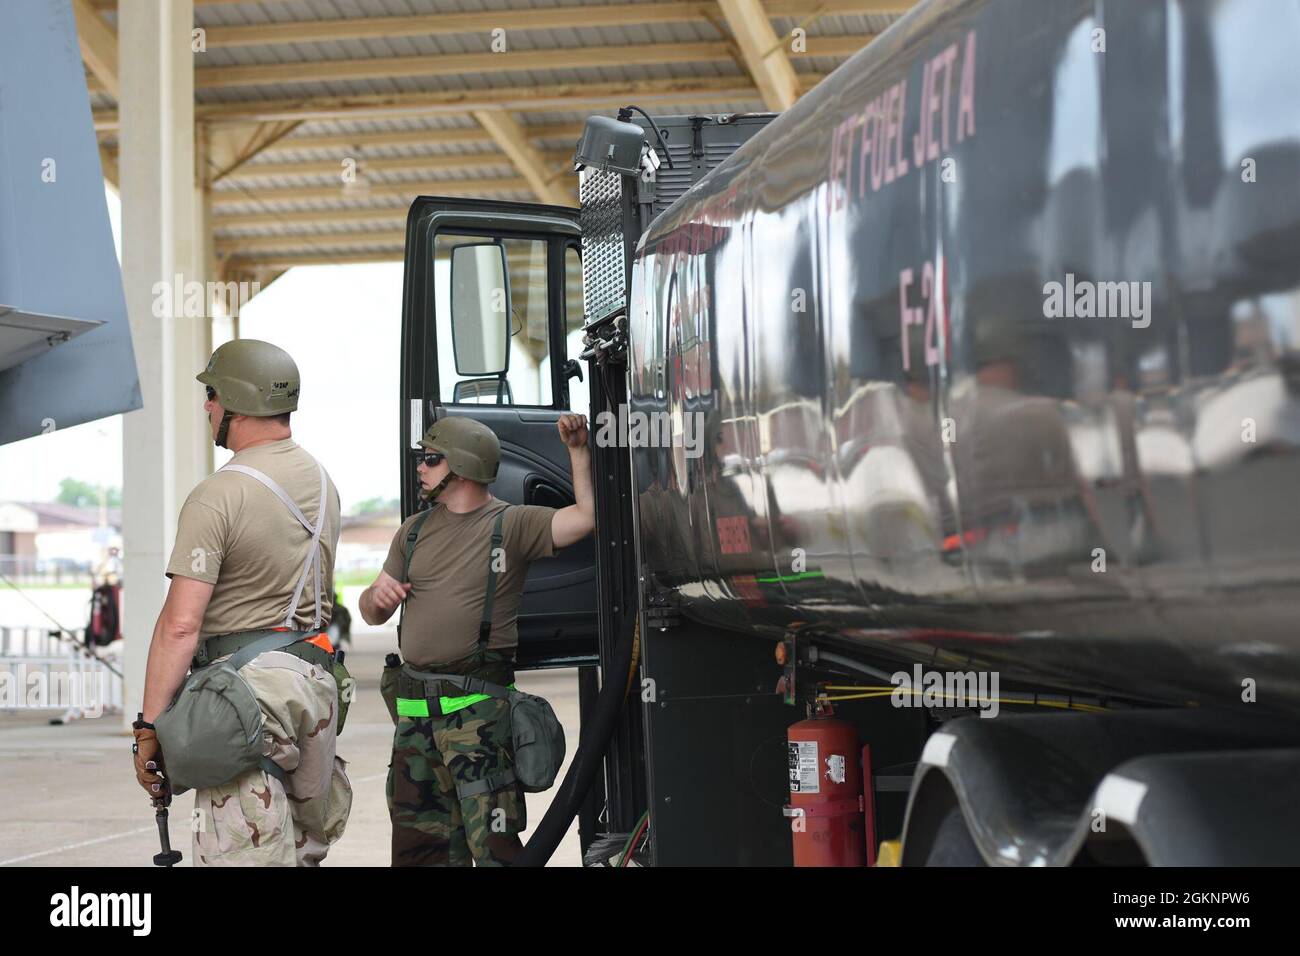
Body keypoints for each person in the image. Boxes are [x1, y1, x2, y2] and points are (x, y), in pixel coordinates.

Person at [130, 339, 351, 866]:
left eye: (211, 393)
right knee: (303, 851)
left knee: (243, 853)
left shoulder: (220, 494)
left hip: (248, 700)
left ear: (234, 400)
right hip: (314, 683)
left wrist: (150, 727)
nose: (206, 405)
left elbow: (180, 626)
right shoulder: (323, 484)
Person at [359, 414, 594, 866]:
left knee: (494, 852)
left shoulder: (513, 525)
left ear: (462, 466)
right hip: (415, 724)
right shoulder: (413, 532)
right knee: (417, 854)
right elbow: (372, 611)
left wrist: (579, 452)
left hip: (479, 724)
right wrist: (376, 597)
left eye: (430, 459)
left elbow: (585, 519)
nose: (420, 468)